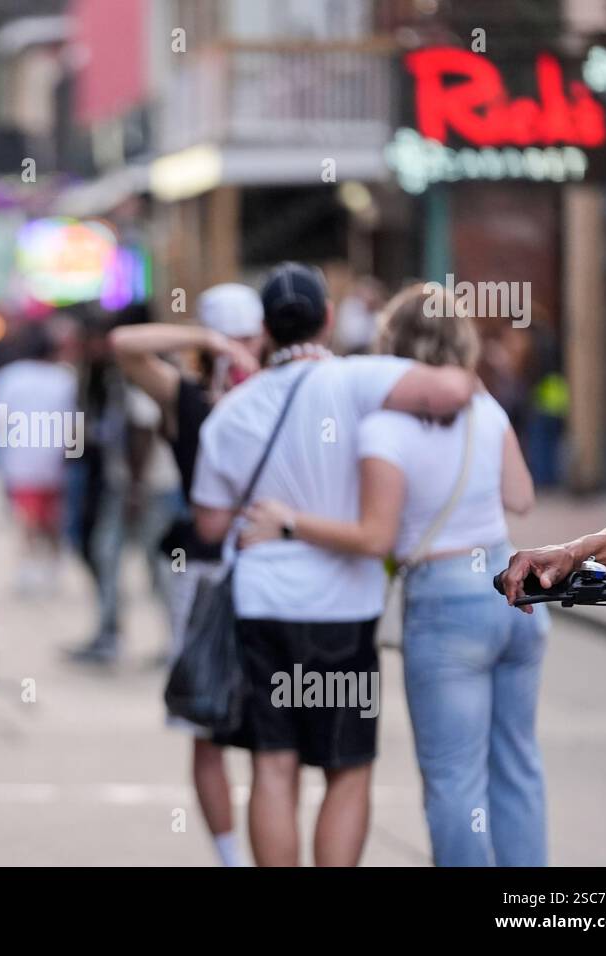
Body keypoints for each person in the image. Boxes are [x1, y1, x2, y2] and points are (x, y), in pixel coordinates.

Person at [240, 282, 549, 866]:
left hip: (445, 603)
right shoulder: (484, 405)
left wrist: (289, 523)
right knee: (518, 766)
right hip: (515, 594)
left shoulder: (383, 427)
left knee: (455, 781)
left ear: (391, 345)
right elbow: (522, 495)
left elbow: (375, 537)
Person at [190, 262, 475, 867]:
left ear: (263, 328)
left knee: (272, 765)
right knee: (347, 768)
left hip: (263, 605)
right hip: (344, 611)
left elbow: (211, 526)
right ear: (326, 319)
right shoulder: (356, 381)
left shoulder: (230, 412)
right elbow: (453, 390)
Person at [107, 283, 263, 866]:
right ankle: (230, 856)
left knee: (276, 725)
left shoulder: (282, 391)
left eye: (251, 338)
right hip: (201, 571)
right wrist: (206, 337)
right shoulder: (187, 396)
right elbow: (125, 343)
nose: (243, 350)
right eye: (233, 339)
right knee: (206, 712)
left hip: (274, 569)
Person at [0, 322, 79, 595]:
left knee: (27, 518)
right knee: (51, 518)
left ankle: (30, 569)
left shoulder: (8, 377)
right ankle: (52, 566)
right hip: (54, 459)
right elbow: (74, 423)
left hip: (20, 459)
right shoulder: (64, 377)